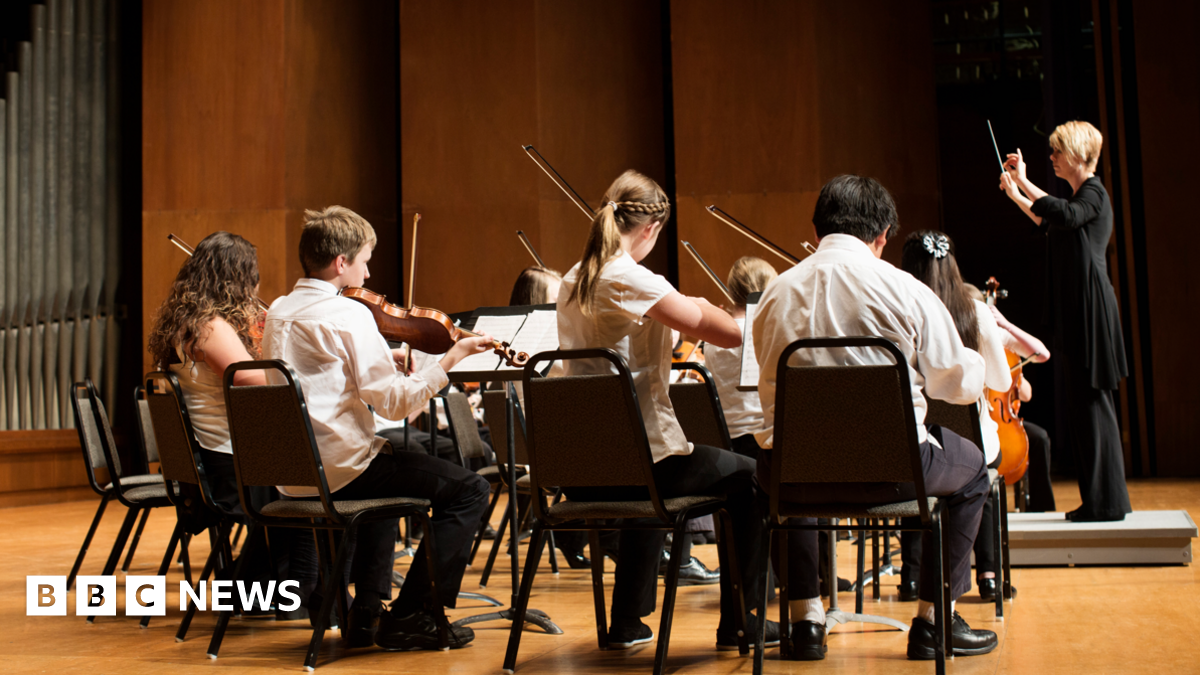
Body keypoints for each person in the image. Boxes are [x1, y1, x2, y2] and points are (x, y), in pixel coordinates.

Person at [752, 175, 996, 661]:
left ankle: (804, 624)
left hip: (796, 481)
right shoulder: (904, 289)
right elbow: (958, 384)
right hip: (896, 477)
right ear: (882, 235)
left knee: (779, 462)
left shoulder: (775, 295)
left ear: (817, 228)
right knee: (974, 470)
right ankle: (933, 622)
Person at [555, 169, 778, 650]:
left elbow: (629, 336)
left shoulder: (574, 279)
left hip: (582, 462)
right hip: (638, 464)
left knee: (657, 468)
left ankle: (627, 621)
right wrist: (688, 299)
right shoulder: (630, 278)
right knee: (751, 478)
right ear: (652, 228)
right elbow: (732, 333)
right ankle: (745, 620)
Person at [262, 206, 492, 651]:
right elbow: (394, 401)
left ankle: (366, 612)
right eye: (364, 260)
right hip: (342, 470)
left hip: (294, 473)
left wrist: (382, 358)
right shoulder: (348, 314)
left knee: (387, 460)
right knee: (470, 491)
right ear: (340, 263)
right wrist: (452, 359)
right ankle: (412, 615)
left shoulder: (278, 309)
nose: (367, 274)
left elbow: (316, 371)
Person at [147, 231, 317, 617]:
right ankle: (304, 590)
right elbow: (254, 380)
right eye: (251, 276)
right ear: (236, 277)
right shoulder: (211, 326)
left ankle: (263, 588)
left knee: (303, 475)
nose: (256, 285)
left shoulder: (191, 321)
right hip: (229, 465)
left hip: (215, 457)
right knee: (313, 483)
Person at [898, 231, 1050, 602]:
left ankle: (913, 576)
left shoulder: (895, 309)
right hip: (973, 439)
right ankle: (987, 575)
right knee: (978, 466)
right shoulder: (975, 313)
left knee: (917, 466)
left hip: (909, 439)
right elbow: (999, 380)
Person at [999, 120, 1131, 522]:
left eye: (1057, 152)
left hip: (1091, 312)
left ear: (1076, 154)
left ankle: (1104, 504)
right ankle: (1103, 502)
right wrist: (1016, 193)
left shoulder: (1093, 192)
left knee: (1093, 406)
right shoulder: (1079, 199)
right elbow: (1051, 223)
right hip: (1079, 312)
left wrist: (1026, 182)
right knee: (1085, 407)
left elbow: (1066, 215)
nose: (1052, 157)